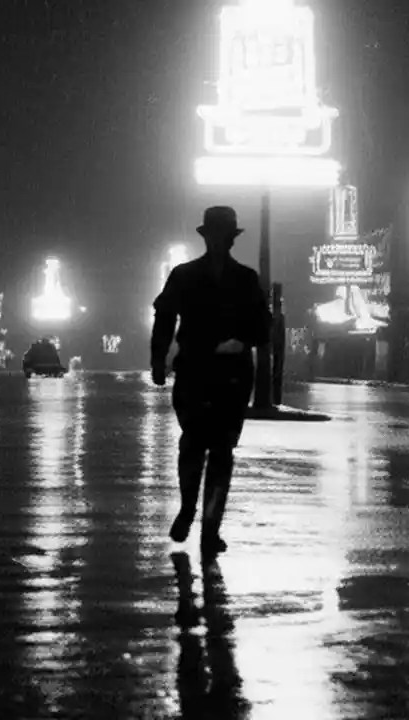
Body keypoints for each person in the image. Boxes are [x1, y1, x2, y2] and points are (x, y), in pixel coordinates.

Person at [151, 206, 270, 558]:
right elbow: (164, 317)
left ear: (230, 239)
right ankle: (189, 509)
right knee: (192, 445)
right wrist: (158, 359)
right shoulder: (184, 275)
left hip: (232, 376)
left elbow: (261, 327)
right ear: (208, 238)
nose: (220, 242)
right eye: (216, 235)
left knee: (221, 452)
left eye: (224, 236)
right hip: (195, 372)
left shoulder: (246, 279)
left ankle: (211, 527)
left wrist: (241, 340)